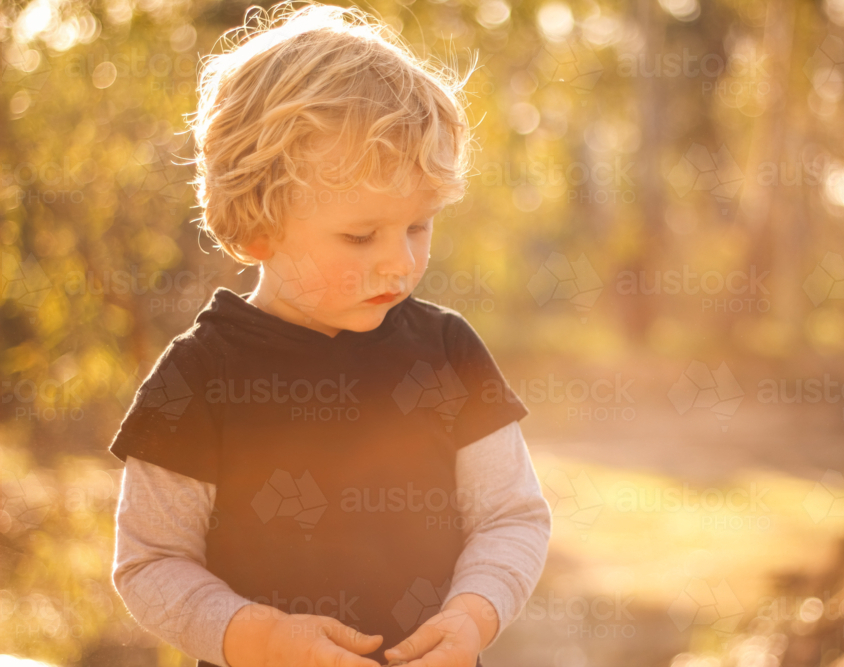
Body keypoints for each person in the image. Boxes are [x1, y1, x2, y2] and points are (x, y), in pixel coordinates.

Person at [107, 3, 552, 666]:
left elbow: (510, 517)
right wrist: (252, 635)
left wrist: (472, 614)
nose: (400, 260)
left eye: (418, 225)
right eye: (359, 234)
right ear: (256, 225)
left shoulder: (448, 353)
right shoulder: (198, 380)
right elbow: (150, 561)